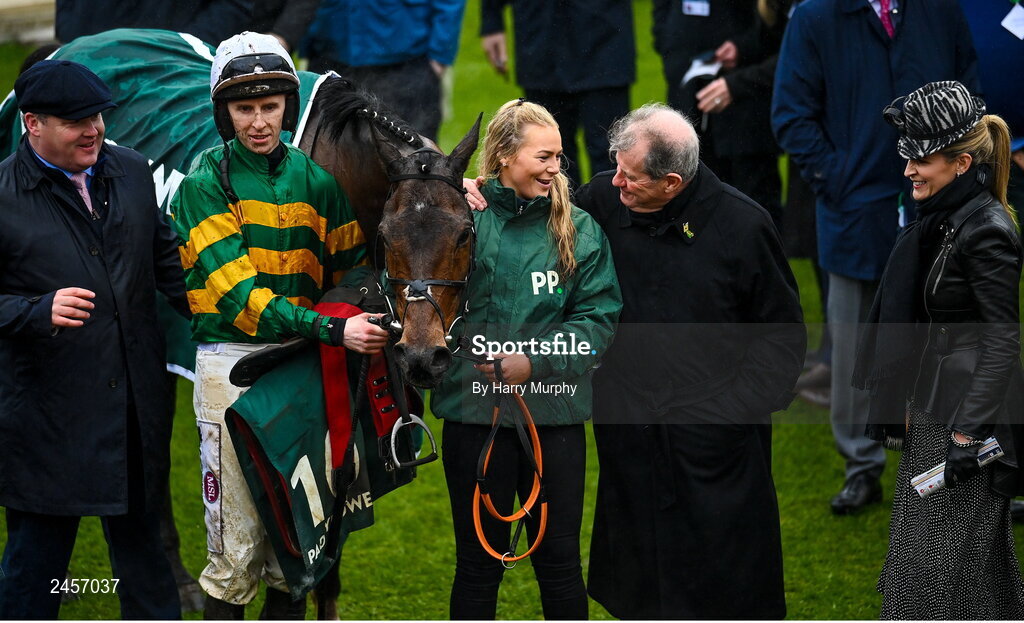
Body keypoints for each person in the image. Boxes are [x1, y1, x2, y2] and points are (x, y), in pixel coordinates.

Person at [170, 32, 387, 619]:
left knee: (292, 552)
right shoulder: (202, 185)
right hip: (231, 367)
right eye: (245, 108)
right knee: (235, 555)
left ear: (289, 106)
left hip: (303, 367)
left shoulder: (318, 182)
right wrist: (335, 330)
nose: (260, 122)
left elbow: (352, 270)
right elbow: (244, 301)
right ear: (224, 112)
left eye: (270, 106)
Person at [581, 103, 804, 618]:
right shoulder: (607, 199)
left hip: (717, 448)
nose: (616, 182)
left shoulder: (743, 226)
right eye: (616, 167)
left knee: (725, 585)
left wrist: (727, 414)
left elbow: (781, 339)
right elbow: (538, 213)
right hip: (631, 436)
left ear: (672, 183)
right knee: (638, 585)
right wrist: (482, 193)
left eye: (630, 176)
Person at [772, 0, 980, 514]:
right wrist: (838, 178)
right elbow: (791, 114)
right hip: (853, 209)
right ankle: (861, 467)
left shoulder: (939, 10)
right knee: (851, 345)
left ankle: (943, 464)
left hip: (939, 208)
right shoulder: (815, 17)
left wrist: (953, 175)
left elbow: (970, 95)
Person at [0, 59, 188, 619]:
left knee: (147, 564)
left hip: (133, 414)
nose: (94, 130)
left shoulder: (130, 170)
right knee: (35, 572)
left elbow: (170, 266)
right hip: (45, 422)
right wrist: (37, 310)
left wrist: (247, 319)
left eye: (99, 116)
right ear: (33, 123)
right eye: (76, 121)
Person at [433, 99, 621, 620]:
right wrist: (442, 197)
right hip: (473, 415)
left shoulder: (579, 229)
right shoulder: (460, 218)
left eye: (559, 156)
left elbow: (598, 322)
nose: (555, 168)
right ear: (503, 156)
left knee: (559, 565)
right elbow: (416, 291)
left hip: (553, 418)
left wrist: (532, 362)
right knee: (477, 566)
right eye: (544, 156)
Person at [854, 81, 1024, 618]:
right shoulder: (943, 218)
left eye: (921, 160)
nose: (908, 170)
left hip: (965, 422)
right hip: (936, 411)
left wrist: (967, 435)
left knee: (941, 570)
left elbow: (1002, 343)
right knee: (946, 564)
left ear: (962, 162)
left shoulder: (986, 231)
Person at [654, 0, 785, 226]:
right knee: (696, 200)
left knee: (753, 201)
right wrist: (670, 47)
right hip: (688, 92)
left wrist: (743, 48)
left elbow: (775, 27)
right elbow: (663, 14)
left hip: (745, 101)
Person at [479, 0, 634, 186]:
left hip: (605, 40)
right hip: (541, 38)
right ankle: (559, 206)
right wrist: (492, 20)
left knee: (611, 153)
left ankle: (611, 205)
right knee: (547, 155)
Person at [302, 0, 466, 142]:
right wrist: (298, 38)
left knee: (411, 157)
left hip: (406, 65)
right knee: (326, 156)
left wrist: (440, 52)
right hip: (329, 54)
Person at [55, 0, 253, 46]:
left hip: (169, 64)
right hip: (90, 56)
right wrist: (69, 28)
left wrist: (184, 43)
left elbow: (234, 5)